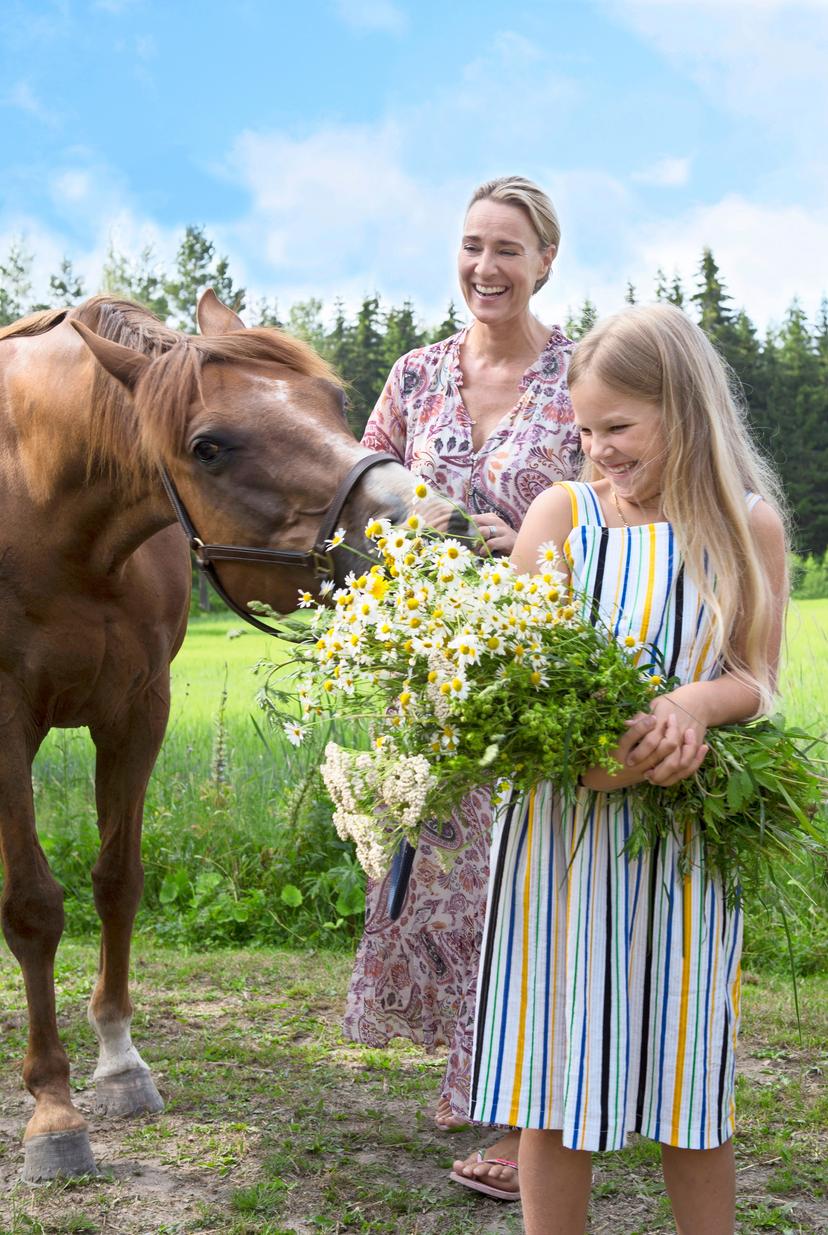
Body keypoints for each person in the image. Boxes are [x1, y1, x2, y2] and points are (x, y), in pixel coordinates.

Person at [464, 303, 788, 1233]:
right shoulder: (563, 519)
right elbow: (516, 689)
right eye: (584, 430)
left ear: (683, 411)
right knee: (556, 1081)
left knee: (688, 1075)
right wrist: (594, 761)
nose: (598, 449)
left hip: (681, 845)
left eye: (618, 427)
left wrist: (689, 708)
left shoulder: (746, 526)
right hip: (561, 843)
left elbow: (754, 679)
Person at [343, 176, 580, 1199]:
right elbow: (358, 489)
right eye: (473, 245)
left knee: (525, 891)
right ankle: (493, 1094)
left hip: (543, 668)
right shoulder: (417, 372)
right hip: (432, 675)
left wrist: (527, 538)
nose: (486, 267)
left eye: (509, 250)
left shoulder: (580, 372)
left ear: (545, 262)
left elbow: (622, 492)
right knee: (441, 892)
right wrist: (416, 531)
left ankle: (523, 1119)